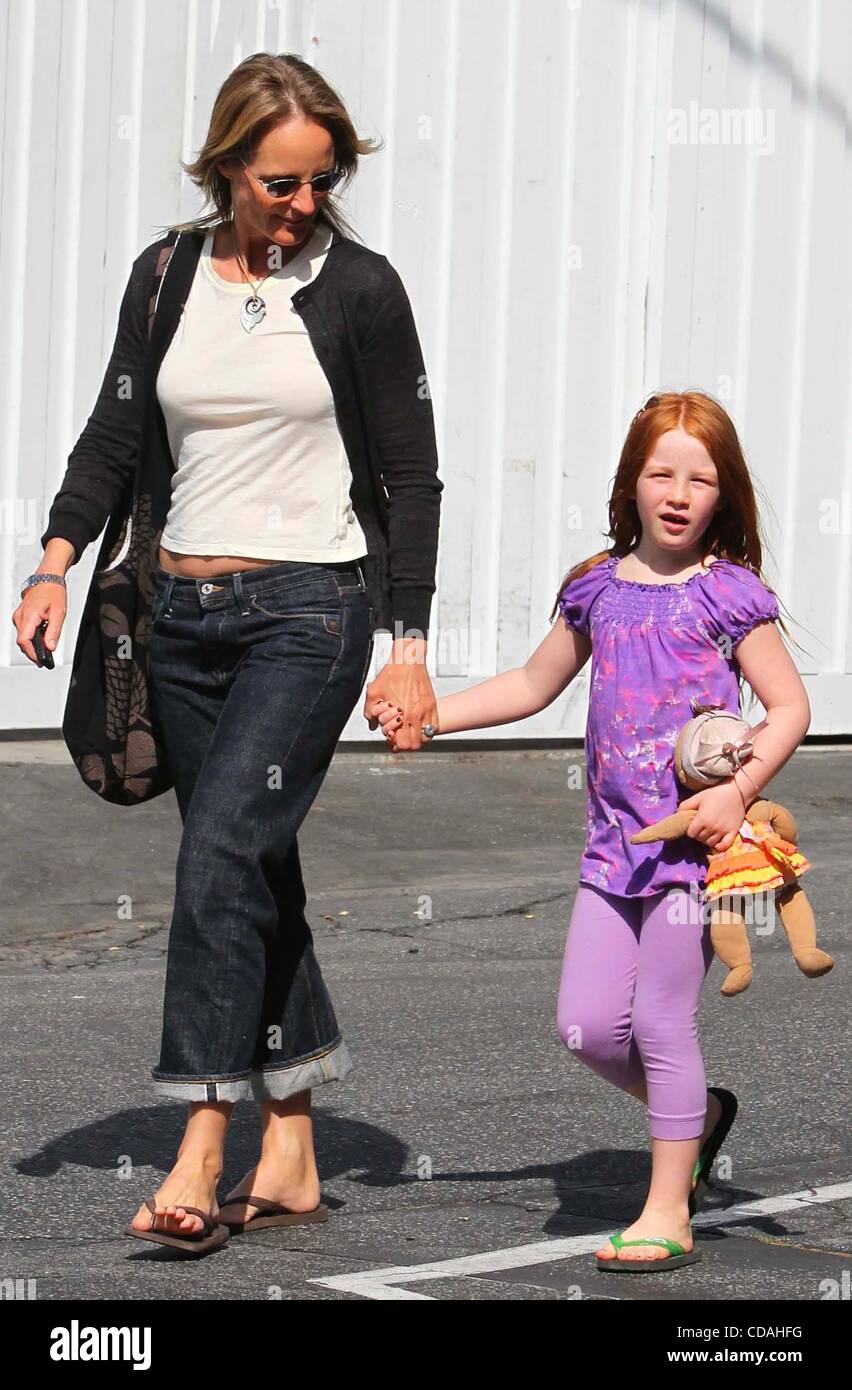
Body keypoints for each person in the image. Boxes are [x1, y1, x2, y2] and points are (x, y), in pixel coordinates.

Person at [14, 52, 443, 1255]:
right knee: (247, 870)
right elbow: (114, 427)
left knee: (217, 858)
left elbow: (411, 476)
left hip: (309, 617)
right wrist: (54, 558)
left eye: (323, 180)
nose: (304, 204)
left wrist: (409, 642)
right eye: (279, 183)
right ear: (224, 169)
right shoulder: (164, 276)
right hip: (182, 619)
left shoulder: (362, 289)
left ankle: (203, 1137)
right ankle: (295, 1144)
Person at [372, 390, 811, 1272]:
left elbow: (791, 705)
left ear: (724, 495)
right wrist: (432, 718)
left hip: (696, 849)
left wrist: (741, 789)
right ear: (632, 483)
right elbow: (532, 686)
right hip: (614, 850)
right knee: (586, 1029)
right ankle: (698, 1117)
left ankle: (666, 1208)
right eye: (661, 473)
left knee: (659, 1022)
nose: (679, 492)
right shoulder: (597, 588)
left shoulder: (728, 594)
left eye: (701, 477)